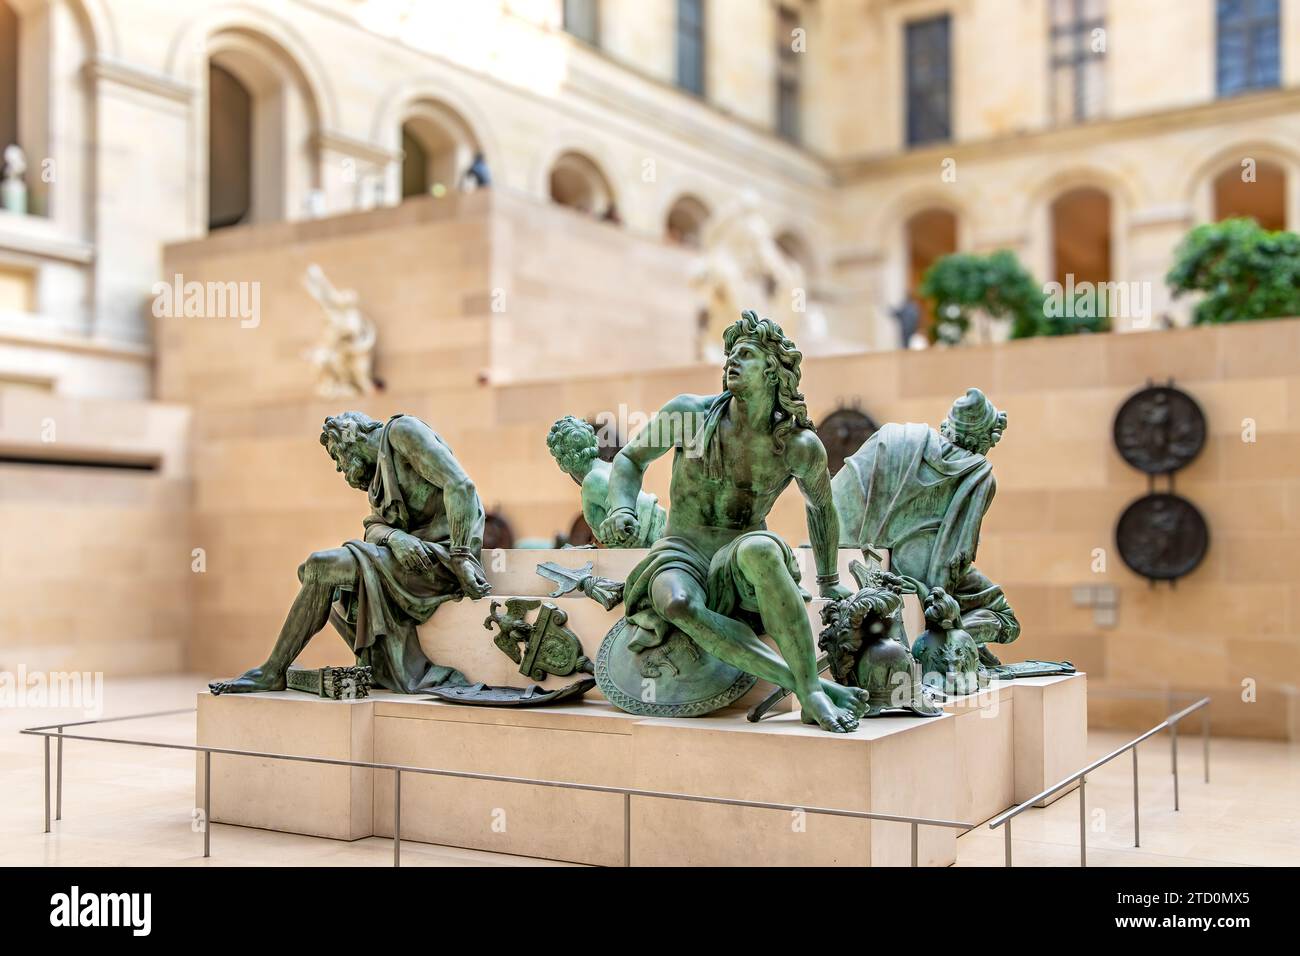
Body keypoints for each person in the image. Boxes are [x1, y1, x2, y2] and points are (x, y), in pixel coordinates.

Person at [600, 311, 867, 732]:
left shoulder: (798, 446)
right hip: (681, 549)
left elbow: (821, 508)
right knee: (677, 603)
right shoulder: (688, 414)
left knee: (761, 548)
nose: (731, 362)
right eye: (729, 355)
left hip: (740, 552)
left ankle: (810, 690)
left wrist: (830, 579)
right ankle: (807, 686)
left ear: (774, 371)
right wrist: (621, 508)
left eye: (744, 354)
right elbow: (630, 459)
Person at [209, 411, 490, 695]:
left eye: (335, 456)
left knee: (321, 565)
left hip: (442, 558)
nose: (338, 468)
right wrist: (395, 537)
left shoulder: (402, 432)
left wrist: (462, 557)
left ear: (349, 436)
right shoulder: (378, 482)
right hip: (412, 558)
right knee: (310, 572)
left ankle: (272, 672)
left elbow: (460, 486)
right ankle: (368, 663)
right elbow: (374, 528)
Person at [831, 388, 1020, 661]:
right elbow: (959, 553)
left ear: (948, 423)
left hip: (859, 552)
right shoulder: (981, 473)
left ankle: (949, 637)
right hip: (924, 567)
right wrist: (940, 599)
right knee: (1006, 618)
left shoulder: (895, 436)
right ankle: (944, 641)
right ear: (984, 439)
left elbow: (837, 496)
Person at [545, 415, 666, 548]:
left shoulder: (592, 481)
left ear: (563, 462)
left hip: (652, 545)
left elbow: (628, 532)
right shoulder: (611, 467)